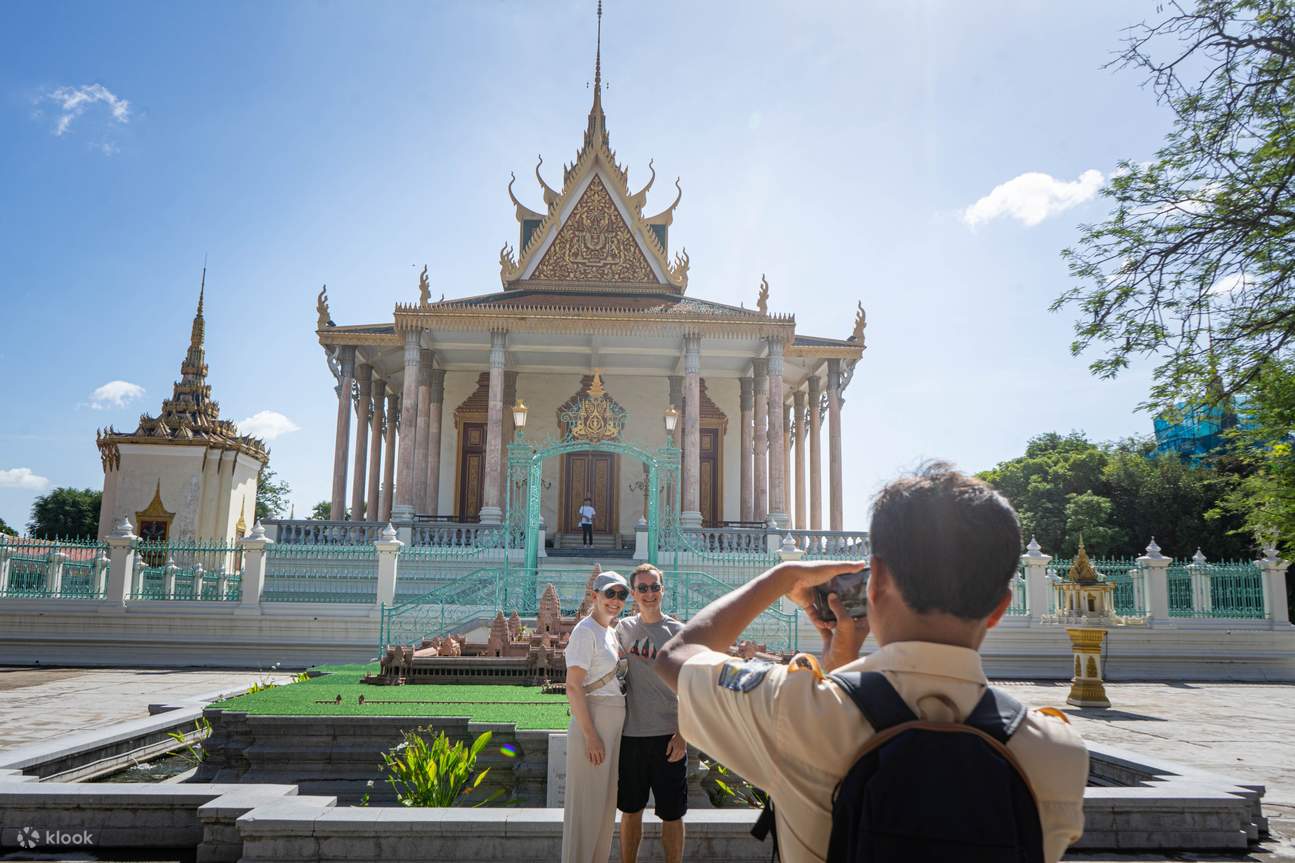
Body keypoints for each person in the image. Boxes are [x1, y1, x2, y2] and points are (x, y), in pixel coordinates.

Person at [655, 463, 1088, 863]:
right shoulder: (1055, 752)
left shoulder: (799, 710)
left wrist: (781, 577)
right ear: (1000, 608)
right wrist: (840, 664)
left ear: (875, 581)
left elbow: (676, 655)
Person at [615, 564, 688, 863]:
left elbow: (690, 688)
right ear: (633, 594)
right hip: (631, 735)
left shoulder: (678, 633)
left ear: (662, 590)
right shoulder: (622, 629)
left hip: (668, 738)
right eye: (642, 588)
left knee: (672, 814)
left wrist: (683, 736)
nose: (649, 593)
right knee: (631, 810)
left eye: (654, 587)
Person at [562, 570, 629, 863]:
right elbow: (573, 686)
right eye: (609, 594)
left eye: (621, 595)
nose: (615, 601)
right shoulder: (585, 631)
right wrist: (591, 736)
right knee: (586, 808)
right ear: (595, 596)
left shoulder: (611, 632)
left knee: (604, 808)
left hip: (613, 722)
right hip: (595, 721)